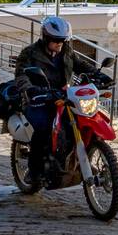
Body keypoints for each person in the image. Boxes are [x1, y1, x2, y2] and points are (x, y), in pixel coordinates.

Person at [14, 16, 75, 181]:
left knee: (76, 123)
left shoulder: (67, 50)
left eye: (63, 40)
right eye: (56, 40)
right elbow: (20, 75)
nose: (60, 44)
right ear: (46, 37)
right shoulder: (30, 53)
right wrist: (30, 89)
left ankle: (75, 160)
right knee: (43, 127)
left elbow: (80, 64)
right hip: (38, 98)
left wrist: (99, 74)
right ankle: (34, 169)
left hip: (61, 97)